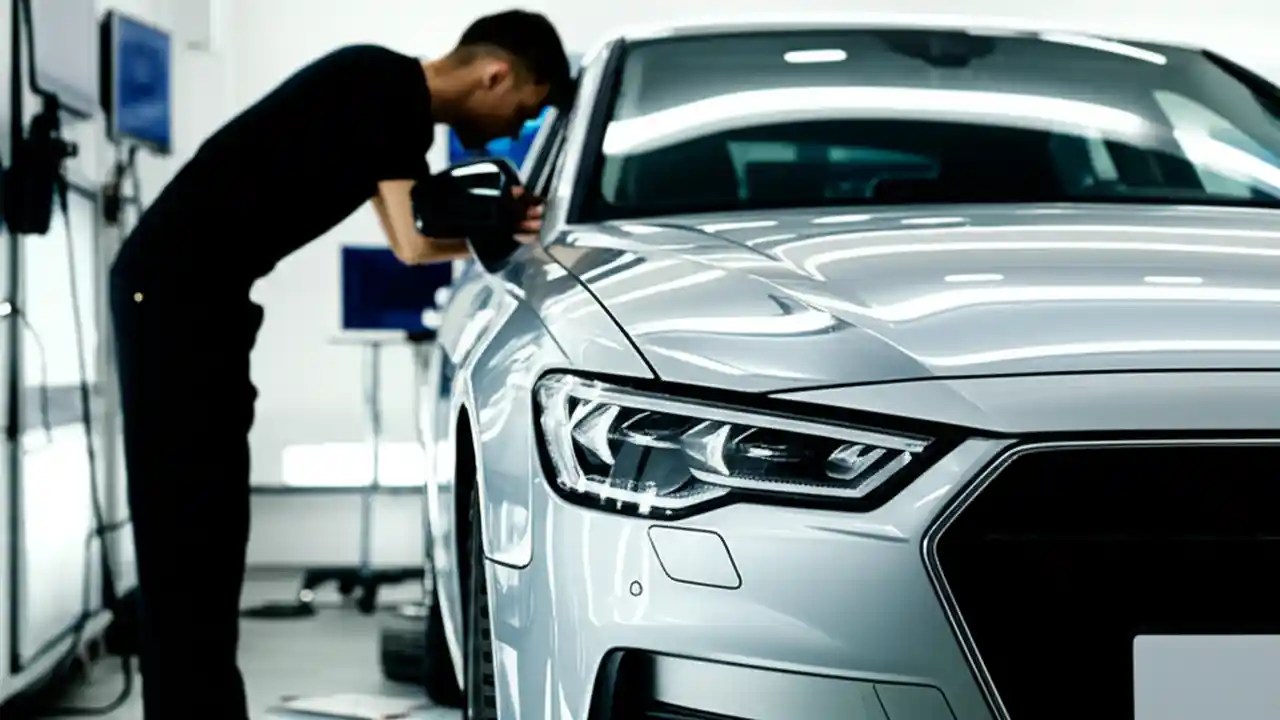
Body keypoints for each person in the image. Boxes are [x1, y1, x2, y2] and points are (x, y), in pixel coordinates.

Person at [107, 10, 571, 718]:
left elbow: (410, 245)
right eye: (522, 107)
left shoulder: (389, 101)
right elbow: (419, 240)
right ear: (496, 73)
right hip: (172, 294)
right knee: (188, 522)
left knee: (209, 521)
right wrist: (500, 224)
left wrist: (506, 232)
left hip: (192, 297)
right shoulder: (383, 87)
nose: (512, 127)